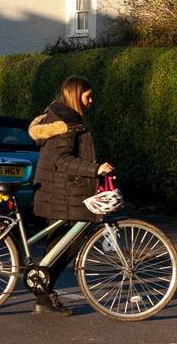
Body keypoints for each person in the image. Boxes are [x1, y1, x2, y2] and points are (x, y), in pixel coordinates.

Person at [27, 76, 114, 316]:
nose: (91, 101)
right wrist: (95, 169)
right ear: (76, 95)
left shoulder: (61, 116)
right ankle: (42, 293)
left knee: (60, 244)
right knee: (68, 243)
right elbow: (62, 159)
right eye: (87, 96)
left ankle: (43, 295)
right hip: (61, 191)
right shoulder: (64, 122)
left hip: (60, 190)